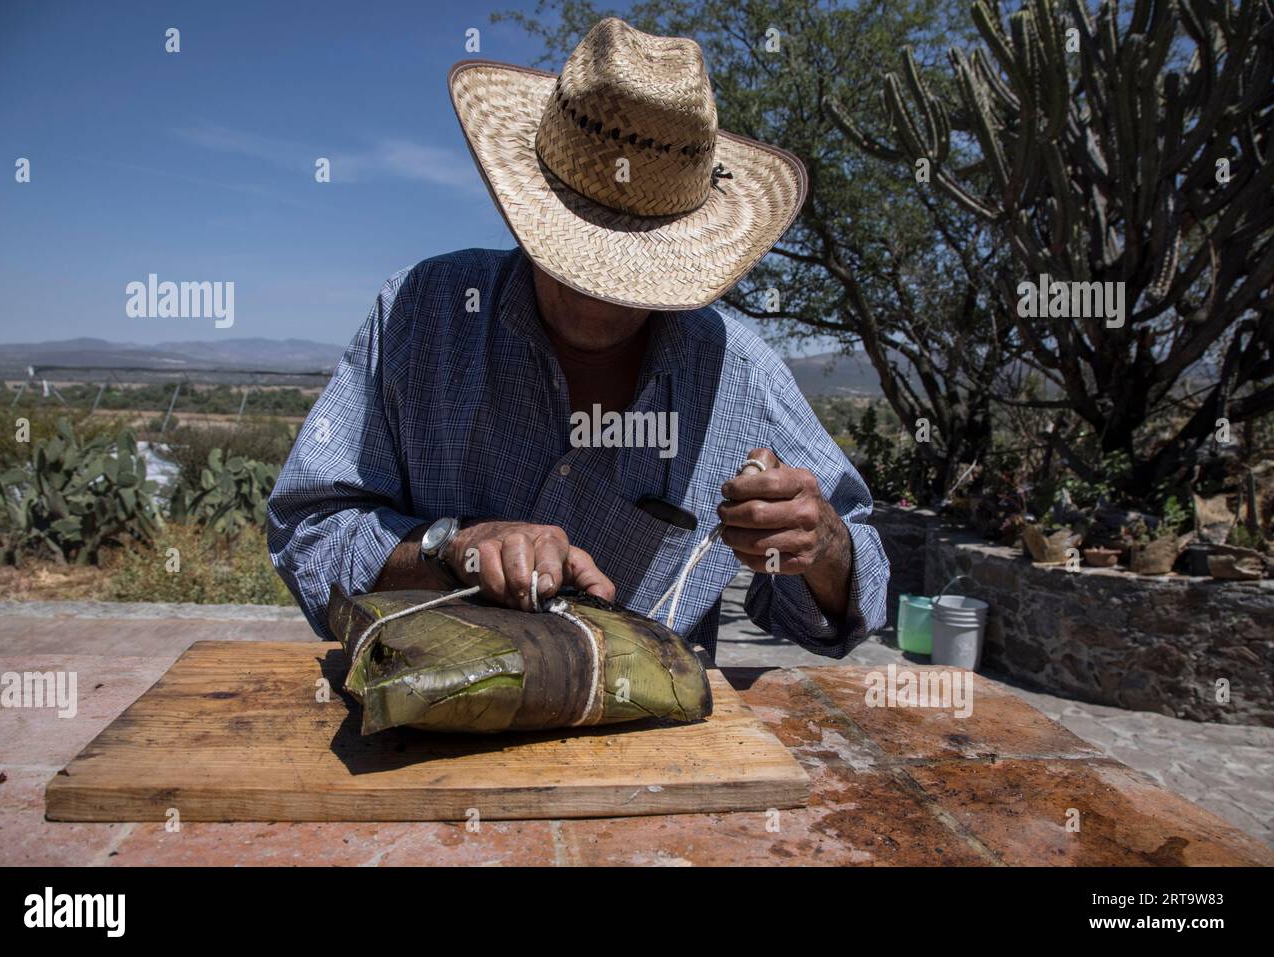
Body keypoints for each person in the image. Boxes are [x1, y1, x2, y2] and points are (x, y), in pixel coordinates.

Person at [268, 17, 889, 661]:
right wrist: (450, 547)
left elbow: (843, 602)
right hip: (424, 725)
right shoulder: (422, 313)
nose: (601, 294)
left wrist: (822, 546)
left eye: (637, 268)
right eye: (574, 255)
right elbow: (309, 535)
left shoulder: (740, 375)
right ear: (528, 209)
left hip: (649, 743)